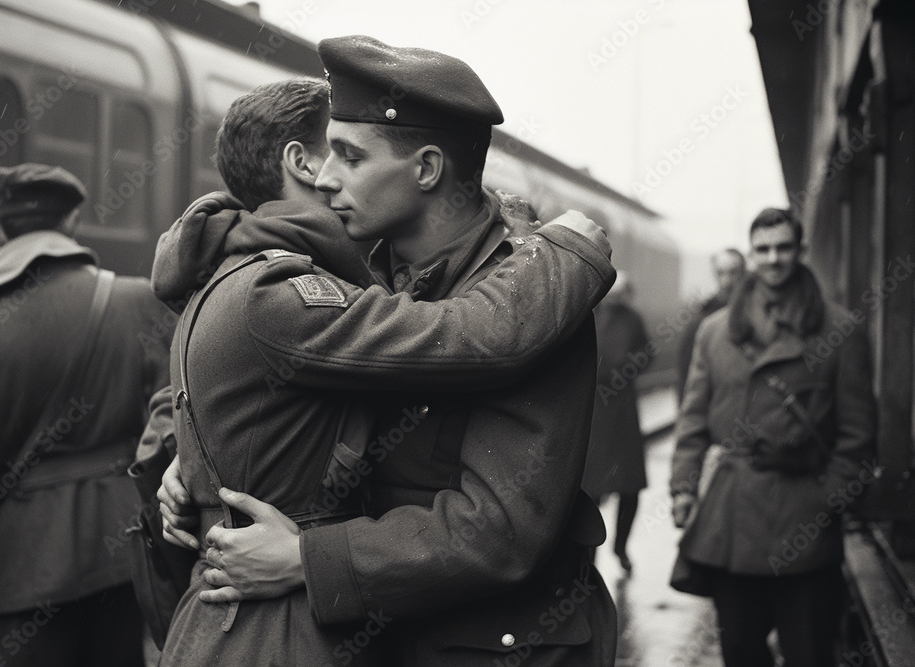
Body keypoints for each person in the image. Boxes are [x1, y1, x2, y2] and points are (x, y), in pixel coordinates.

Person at [161, 36, 618, 666]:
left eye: (348, 156)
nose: (322, 178)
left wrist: (305, 560)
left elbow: (499, 533)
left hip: (488, 648)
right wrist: (200, 463)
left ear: (426, 170)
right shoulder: (359, 269)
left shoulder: (536, 300)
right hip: (372, 639)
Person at [0, 164, 173, 667]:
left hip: (22, 558)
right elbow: (174, 421)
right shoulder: (137, 300)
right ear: (73, 222)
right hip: (124, 547)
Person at [669, 208, 876, 667]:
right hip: (733, 517)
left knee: (809, 653)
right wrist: (683, 487)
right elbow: (693, 421)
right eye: (763, 249)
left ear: (800, 252)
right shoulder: (715, 332)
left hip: (803, 518)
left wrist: (829, 500)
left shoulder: (840, 331)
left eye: (783, 247)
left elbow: (858, 435)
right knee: (740, 650)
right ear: (751, 254)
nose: (773, 258)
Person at [581, 272, 649, 573]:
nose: (615, 298)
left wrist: (624, 369)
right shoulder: (588, 315)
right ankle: (590, 555)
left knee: (629, 486)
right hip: (595, 414)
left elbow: (647, 354)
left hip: (622, 414)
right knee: (592, 489)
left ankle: (621, 547)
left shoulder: (632, 319)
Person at [675, 248, 745, 400]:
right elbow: (686, 375)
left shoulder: (755, 313)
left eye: (733, 273)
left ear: (743, 273)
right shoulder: (701, 319)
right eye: (721, 273)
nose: (727, 281)